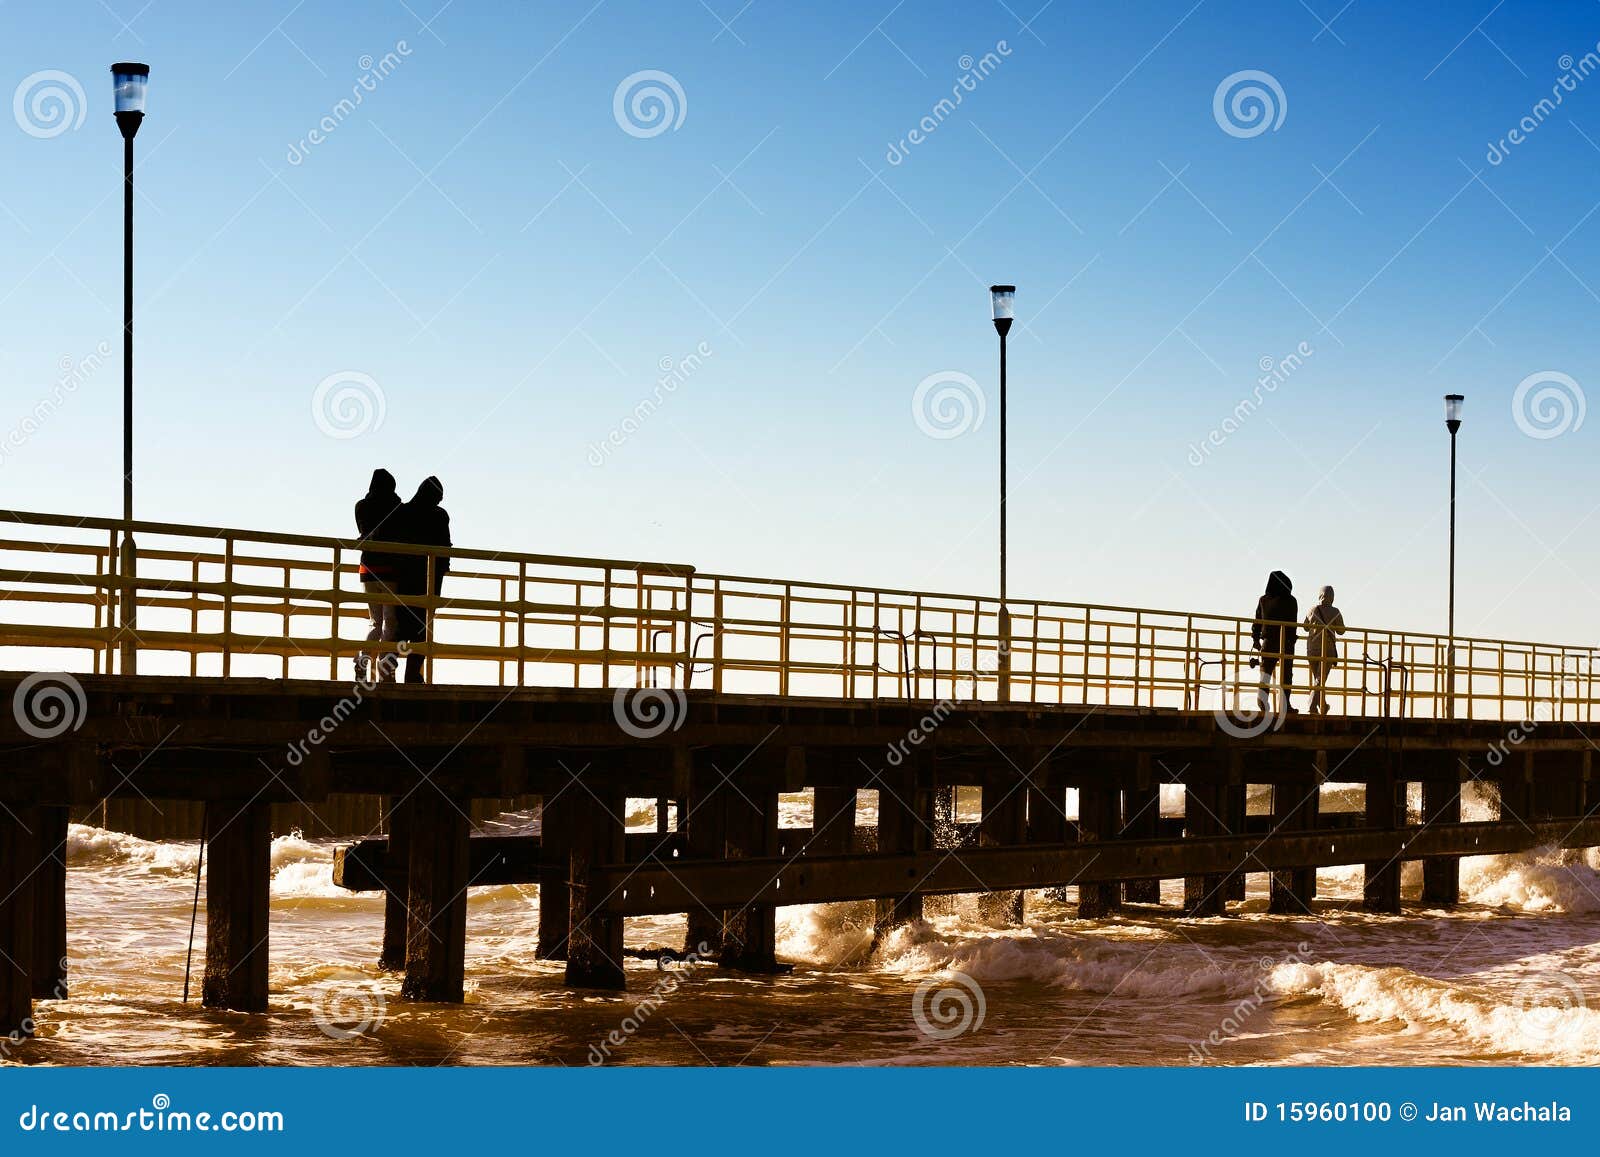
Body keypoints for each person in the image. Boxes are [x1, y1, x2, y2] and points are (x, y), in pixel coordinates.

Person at [392, 475, 451, 684]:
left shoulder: (404, 512)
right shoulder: (440, 515)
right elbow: (445, 546)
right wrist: (444, 570)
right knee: (422, 627)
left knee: (402, 625)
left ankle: (389, 669)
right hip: (430, 579)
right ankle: (412, 673)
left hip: (406, 577)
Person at [353, 469, 403, 683]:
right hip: (389, 569)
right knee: (390, 622)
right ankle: (385, 669)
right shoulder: (397, 508)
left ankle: (363, 661)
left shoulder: (361, 507)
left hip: (367, 568)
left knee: (375, 622)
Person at [1252, 570, 1299, 715]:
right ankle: (1285, 706)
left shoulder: (1263, 600)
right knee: (1286, 675)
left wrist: (1255, 639)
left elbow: (1257, 621)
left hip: (1268, 641)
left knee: (1265, 673)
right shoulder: (1291, 601)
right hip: (1286, 642)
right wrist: (1292, 639)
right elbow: (1292, 623)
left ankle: (1262, 703)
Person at [1303, 585, 1346, 715]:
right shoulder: (1335, 611)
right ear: (1332, 597)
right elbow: (1341, 631)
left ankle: (1323, 705)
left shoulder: (1312, 609)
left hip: (1311, 649)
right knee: (1320, 679)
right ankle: (1311, 706)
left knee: (1318, 678)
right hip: (1327, 650)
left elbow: (1305, 627)